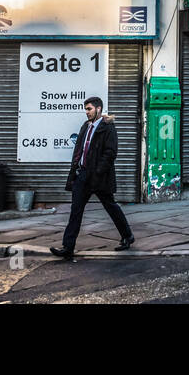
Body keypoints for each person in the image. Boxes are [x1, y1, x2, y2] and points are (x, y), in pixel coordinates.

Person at [51, 97, 134, 259]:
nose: (87, 112)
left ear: (98, 108)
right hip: (82, 176)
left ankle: (127, 236)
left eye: (89, 109)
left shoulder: (107, 127)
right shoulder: (85, 126)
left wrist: (98, 171)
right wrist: (75, 170)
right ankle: (68, 247)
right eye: (86, 109)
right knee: (75, 211)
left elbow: (111, 152)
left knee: (111, 207)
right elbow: (79, 150)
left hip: (98, 177)